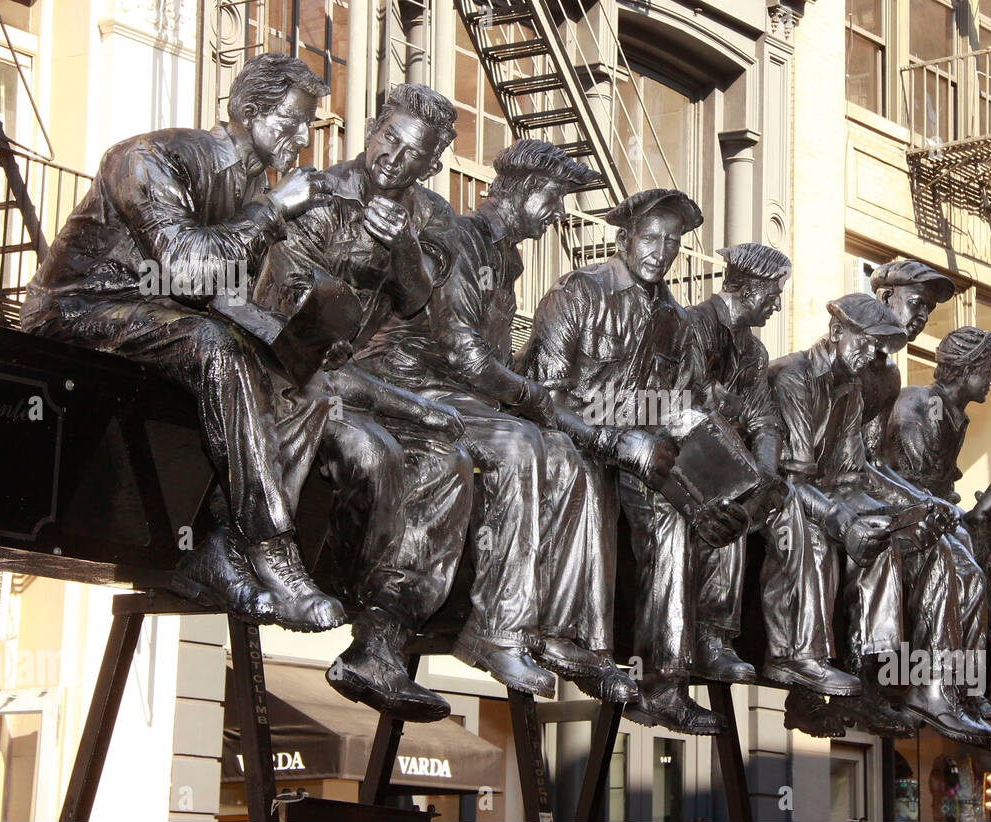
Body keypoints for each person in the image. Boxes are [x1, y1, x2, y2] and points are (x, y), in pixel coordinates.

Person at [22, 53, 343, 632]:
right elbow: (190, 271)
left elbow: (227, 293)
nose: (302, 137)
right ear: (246, 110)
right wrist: (272, 210)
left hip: (161, 318)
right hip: (76, 311)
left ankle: (223, 547)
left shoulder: (248, 185)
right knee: (214, 344)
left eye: (307, 125)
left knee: (310, 389)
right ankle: (273, 546)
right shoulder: (151, 157)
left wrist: (296, 340)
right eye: (290, 122)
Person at [358, 137, 635, 701]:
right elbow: (464, 355)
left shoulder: (507, 261)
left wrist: (551, 399)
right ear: (526, 191)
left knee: (565, 453)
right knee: (520, 445)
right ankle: (495, 628)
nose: (557, 215)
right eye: (553, 200)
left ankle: (560, 631)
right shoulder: (461, 239)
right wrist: (534, 398)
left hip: (462, 396)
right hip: (410, 383)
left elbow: (496, 360)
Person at [251, 83, 474, 721]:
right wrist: (409, 406)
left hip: (356, 385)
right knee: (373, 455)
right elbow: (295, 344)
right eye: (388, 140)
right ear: (371, 129)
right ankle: (336, 592)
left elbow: (420, 307)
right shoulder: (318, 196)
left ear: (431, 166)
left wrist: (401, 244)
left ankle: (379, 640)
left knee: (450, 464)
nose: (393, 160)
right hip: (290, 381)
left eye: (413, 154)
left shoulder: (430, 218)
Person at [519, 188, 752, 734]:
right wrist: (616, 442)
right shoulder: (578, 293)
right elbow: (545, 398)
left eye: (672, 242)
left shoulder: (674, 319)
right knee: (592, 483)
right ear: (624, 236)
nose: (661, 251)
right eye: (651, 237)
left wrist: (708, 486)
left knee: (678, 517)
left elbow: (677, 411)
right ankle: (582, 646)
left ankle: (663, 685)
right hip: (568, 439)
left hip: (638, 452)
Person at [769, 294, 991, 748]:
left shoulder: (852, 388)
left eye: (879, 346)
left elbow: (860, 472)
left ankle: (935, 688)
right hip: (786, 501)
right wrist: (848, 522)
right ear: (836, 332)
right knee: (874, 542)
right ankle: (852, 674)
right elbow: (792, 480)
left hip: (835, 498)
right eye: (866, 342)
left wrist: (919, 507)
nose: (873, 355)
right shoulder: (793, 377)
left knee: (933, 546)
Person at [684, 243, 860, 721]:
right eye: (774, 294)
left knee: (789, 505)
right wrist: (744, 463)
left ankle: (795, 654)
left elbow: (764, 422)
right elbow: (689, 408)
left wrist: (764, 473)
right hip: (689, 457)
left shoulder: (754, 351)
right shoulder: (695, 327)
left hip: (735, 460)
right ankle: (710, 635)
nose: (778, 304)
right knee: (731, 502)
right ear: (751, 288)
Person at [884, 326, 991, 722]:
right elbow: (909, 488)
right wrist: (962, 523)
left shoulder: (955, 415)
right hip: (905, 524)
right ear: (964, 369)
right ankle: (953, 686)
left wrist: (975, 520)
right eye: (987, 370)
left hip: (937, 518)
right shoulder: (920, 405)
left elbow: (938, 495)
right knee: (967, 570)